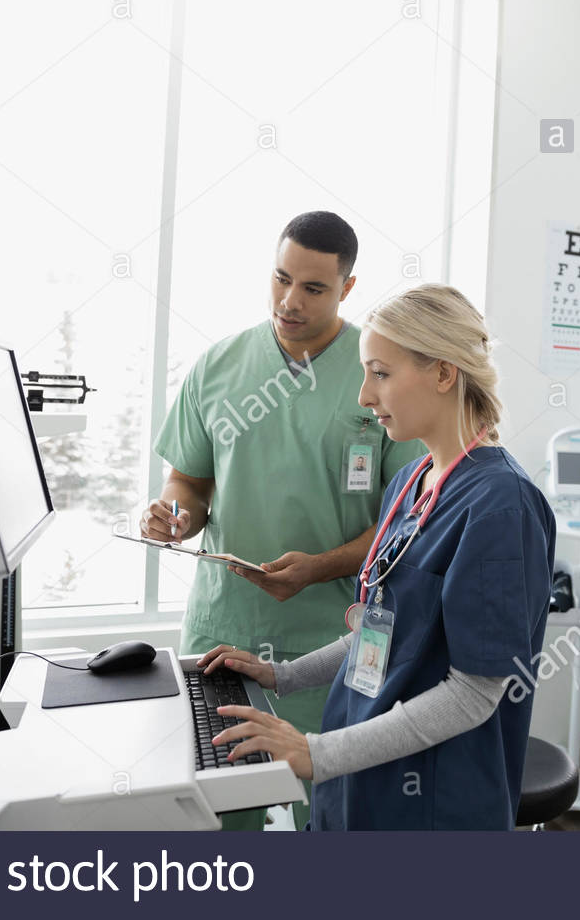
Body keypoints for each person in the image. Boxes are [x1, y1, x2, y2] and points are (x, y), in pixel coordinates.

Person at [197, 285, 557, 830]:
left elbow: (473, 694)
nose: (364, 396)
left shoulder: (501, 507)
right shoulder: (410, 483)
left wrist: (316, 753)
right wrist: (281, 675)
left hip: (432, 806)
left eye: (381, 374)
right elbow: (382, 630)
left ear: (444, 373)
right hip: (357, 779)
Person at [143, 211, 425, 828]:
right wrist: (177, 516)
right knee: (221, 811)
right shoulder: (218, 366)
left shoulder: (378, 373)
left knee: (330, 817)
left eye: (314, 288)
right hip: (227, 629)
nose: (290, 301)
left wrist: (319, 567)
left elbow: (409, 519)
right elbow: (189, 481)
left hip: (337, 638)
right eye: (281, 279)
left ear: (348, 288)